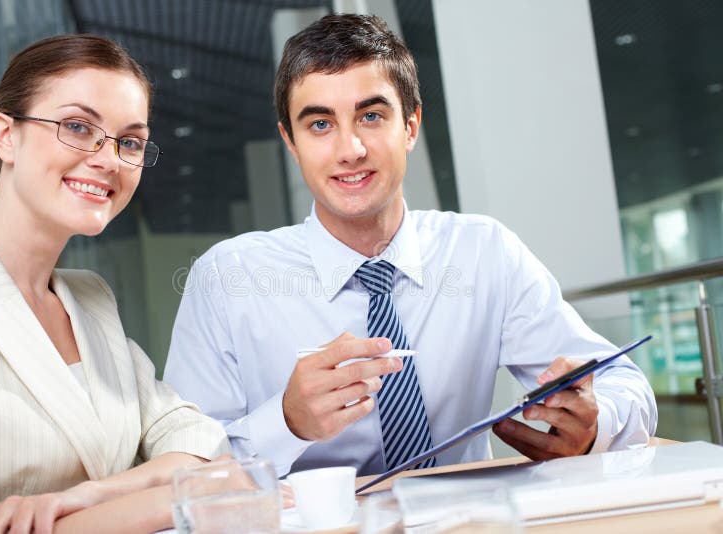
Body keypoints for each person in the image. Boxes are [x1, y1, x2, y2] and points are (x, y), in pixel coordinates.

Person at [164, 14, 657, 478]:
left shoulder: (484, 252)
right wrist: (286, 422)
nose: (350, 150)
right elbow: (184, 467)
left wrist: (595, 423)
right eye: (320, 125)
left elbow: (625, 384)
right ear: (291, 143)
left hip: (466, 521)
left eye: (371, 116)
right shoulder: (225, 280)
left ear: (411, 126)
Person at [0, 35, 231, 534]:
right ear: (5, 136)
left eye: (129, 141)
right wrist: (173, 498)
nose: (110, 159)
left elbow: (196, 439)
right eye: (77, 127)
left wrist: (90, 496)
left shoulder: (89, 298)